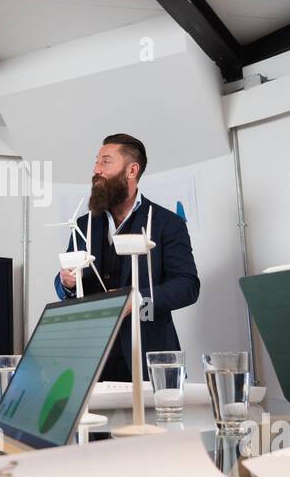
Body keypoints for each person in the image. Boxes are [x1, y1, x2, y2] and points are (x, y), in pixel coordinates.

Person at [54, 134, 199, 381]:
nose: (96, 170)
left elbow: (187, 286)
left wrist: (139, 299)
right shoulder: (83, 224)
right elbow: (65, 285)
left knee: (153, 421)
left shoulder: (168, 223)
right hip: (92, 361)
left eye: (106, 162)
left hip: (150, 357)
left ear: (132, 170)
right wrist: (66, 283)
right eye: (96, 162)